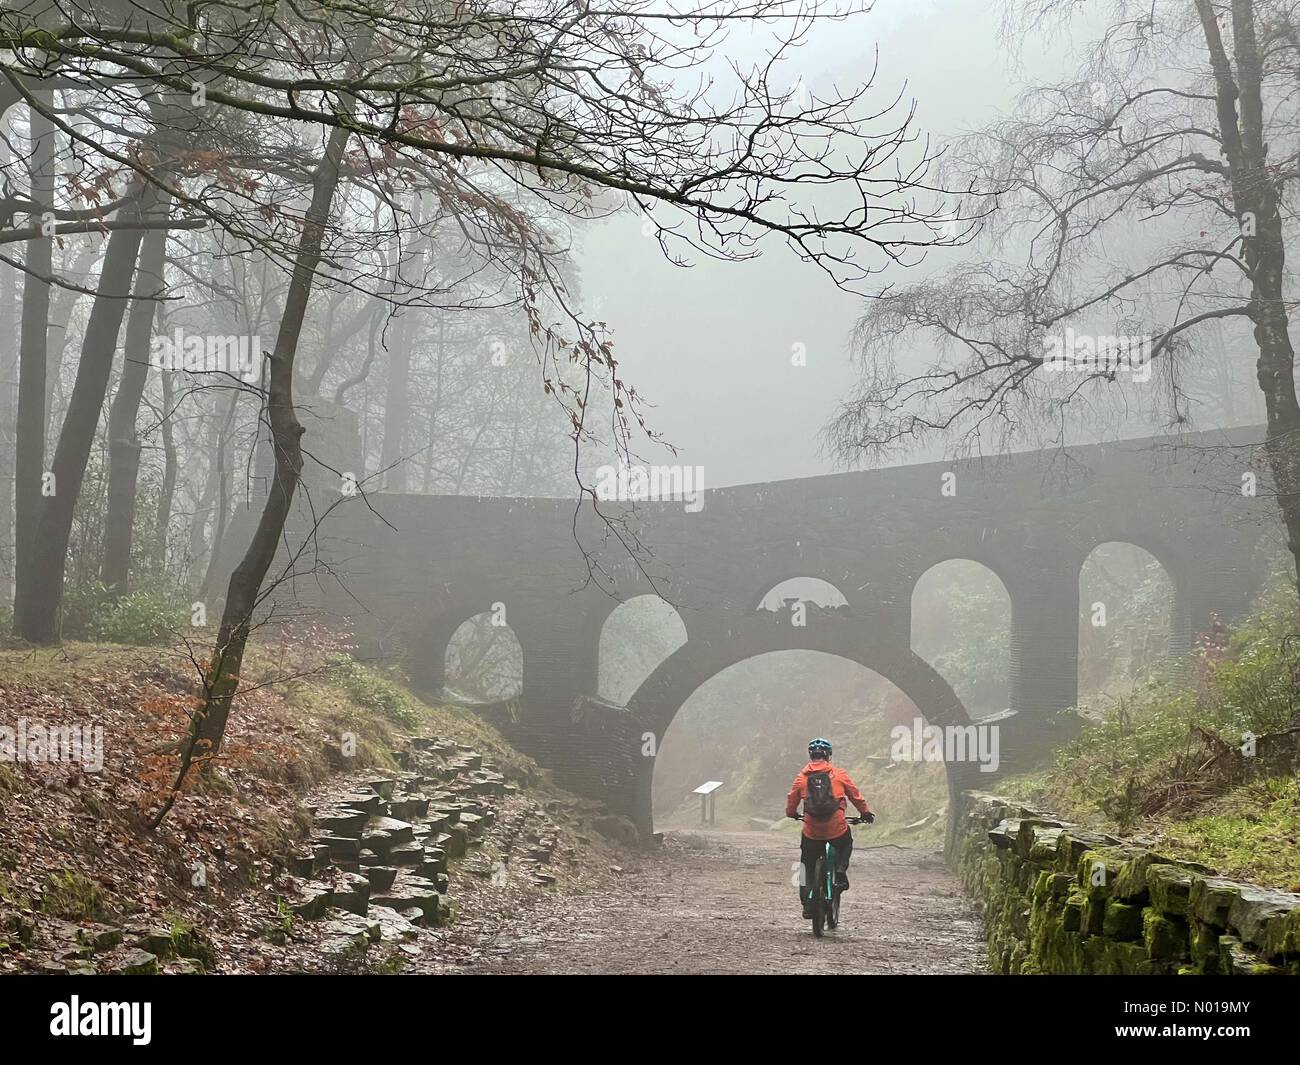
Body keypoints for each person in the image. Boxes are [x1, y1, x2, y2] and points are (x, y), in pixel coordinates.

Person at [785, 737, 874, 918]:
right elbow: (855, 796)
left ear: (811, 755)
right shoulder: (839, 774)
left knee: (806, 865)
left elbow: (791, 800)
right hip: (836, 828)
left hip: (812, 831)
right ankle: (840, 870)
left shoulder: (801, 778)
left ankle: (807, 901)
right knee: (845, 843)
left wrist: (791, 814)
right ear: (829, 755)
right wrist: (865, 813)